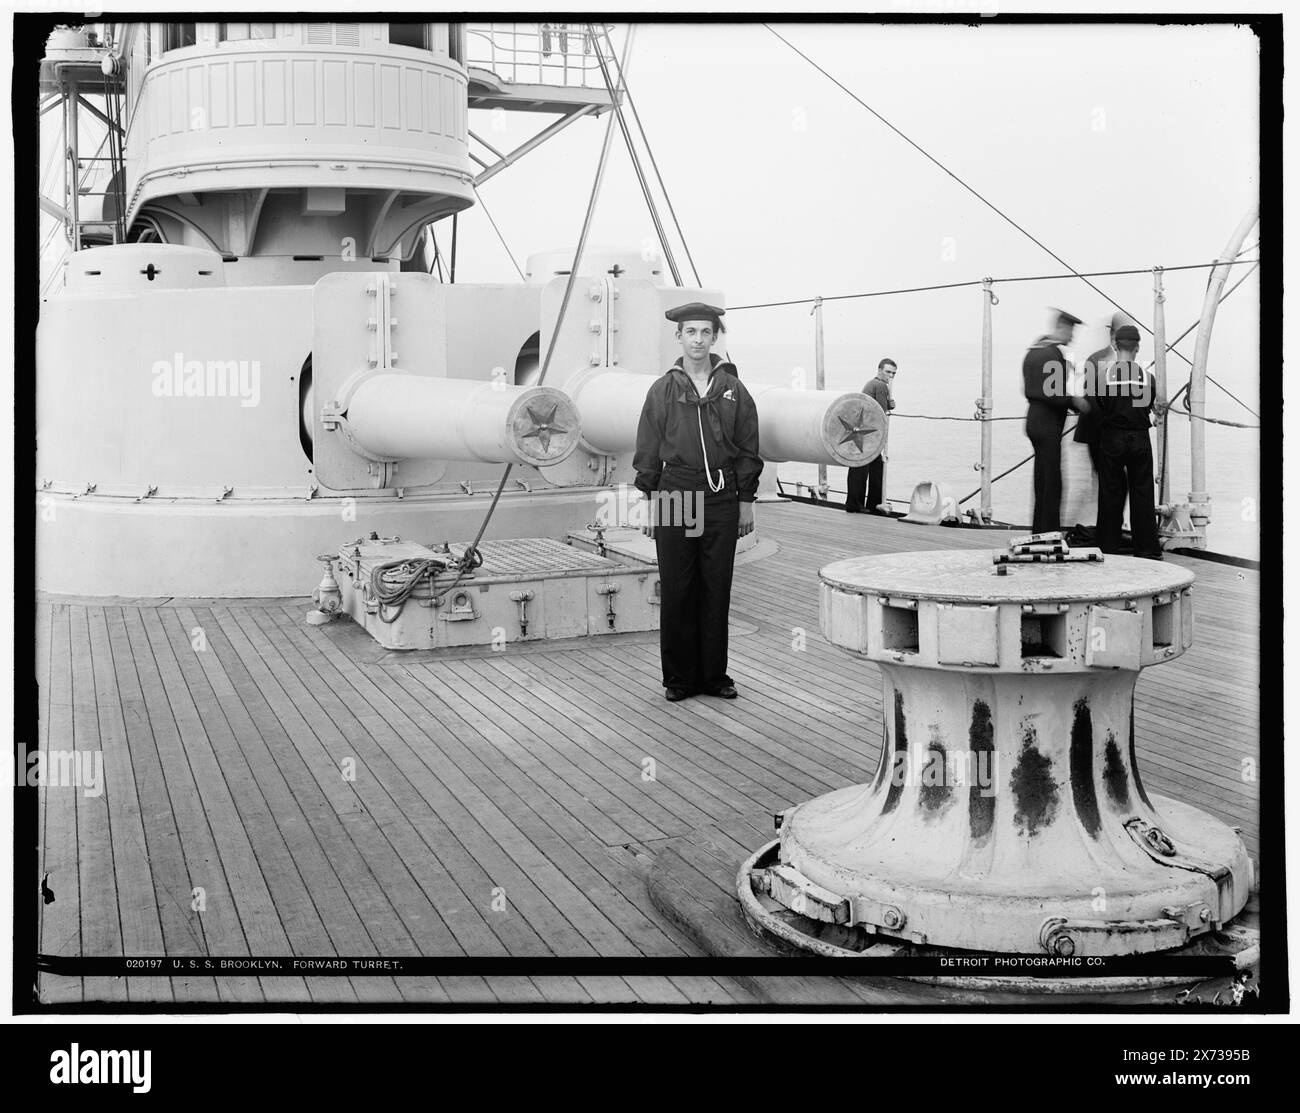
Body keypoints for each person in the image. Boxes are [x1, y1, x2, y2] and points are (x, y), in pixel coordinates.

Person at [634, 303, 763, 702]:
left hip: (720, 494)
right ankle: (678, 678)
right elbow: (649, 448)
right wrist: (649, 501)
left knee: (715, 587)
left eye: (705, 333)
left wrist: (746, 500)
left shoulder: (732, 389)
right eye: (690, 332)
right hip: (676, 491)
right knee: (677, 587)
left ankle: (713, 676)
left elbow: (747, 446)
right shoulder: (664, 390)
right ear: (679, 338)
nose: (698, 340)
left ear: (714, 338)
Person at [1094, 324, 1165, 559]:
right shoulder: (1148, 378)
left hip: (1112, 437)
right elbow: (1146, 406)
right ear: (1137, 347)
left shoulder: (1103, 376)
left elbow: (1100, 407)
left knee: (1110, 493)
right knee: (1142, 494)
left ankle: (1108, 547)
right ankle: (1146, 549)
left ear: (1115, 346)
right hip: (1139, 438)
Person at [1022, 308, 1085, 534]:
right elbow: (1054, 393)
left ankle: (1039, 528)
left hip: (1034, 419)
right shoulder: (1053, 355)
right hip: (1048, 422)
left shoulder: (1034, 350)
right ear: (1063, 328)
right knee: (1052, 482)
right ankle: (1049, 531)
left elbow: (1032, 387)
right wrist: (1077, 402)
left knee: (1042, 478)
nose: (1072, 338)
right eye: (1071, 331)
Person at [845, 358, 896, 514]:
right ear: (879, 370)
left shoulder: (871, 384)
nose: (890, 376)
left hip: (860, 430)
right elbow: (881, 411)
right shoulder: (880, 385)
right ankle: (864, 504)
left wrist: (890, 404)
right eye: (888, 372)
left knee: (868, 466)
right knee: (866, 468)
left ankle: (860, 503)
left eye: (893, 373)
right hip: (868, 433)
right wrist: (890, 404)